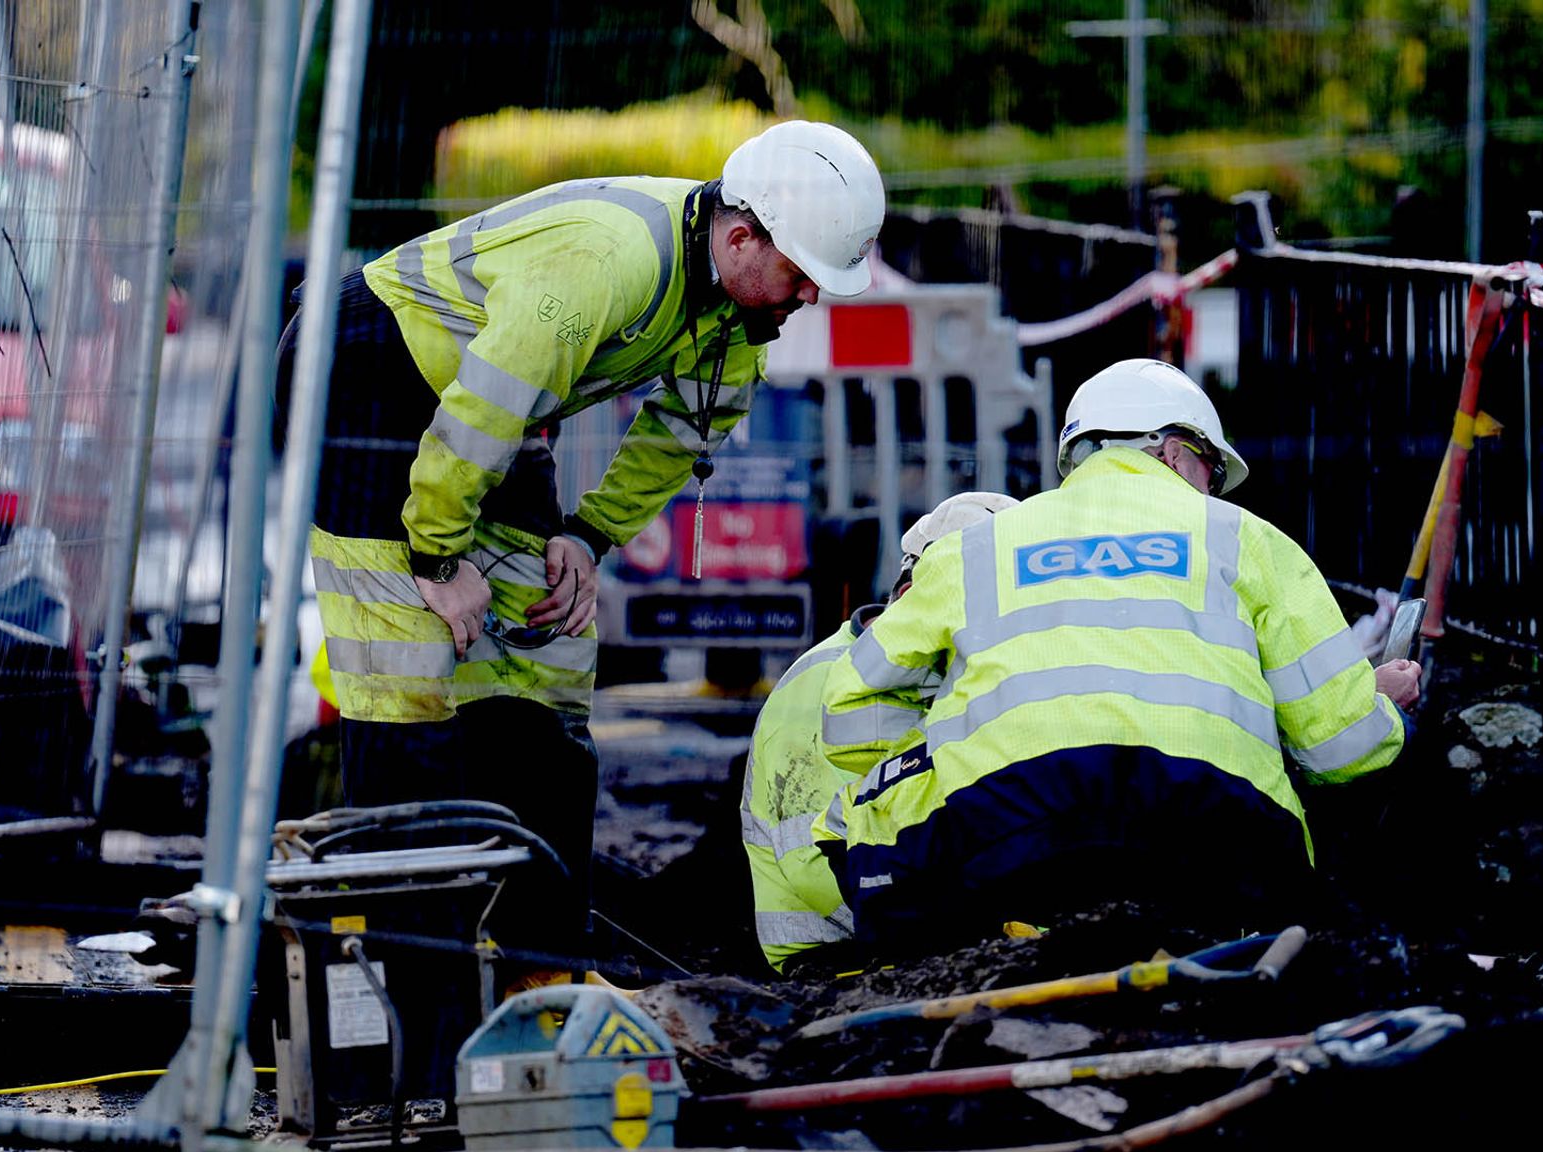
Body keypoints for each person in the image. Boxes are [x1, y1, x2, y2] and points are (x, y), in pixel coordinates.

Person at [283, 121, 887, 969]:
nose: (809, 297)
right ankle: (413, 987)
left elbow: (684, 429)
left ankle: (540, 966)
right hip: (366, 383)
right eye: (801, 275)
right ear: (743, 237)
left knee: (549, 660)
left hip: (487, 415)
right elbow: (482, 411)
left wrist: (586, 535)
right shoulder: (605, 261)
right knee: (406, 682)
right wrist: (436, 561)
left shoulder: (736, 302)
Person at [818, 359, 1422, 950]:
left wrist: (955, 744)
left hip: (1012, 831)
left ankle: (913, 963)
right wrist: (1384, 709)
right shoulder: (1248, 539)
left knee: (858, 818)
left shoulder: (974, 549)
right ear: (1171, 450)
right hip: (1221, 838)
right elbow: (1346, 750)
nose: (1210, 486)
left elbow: (845, 713)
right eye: (1211, 467)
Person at [742, 492, 1018, 976]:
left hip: (915, 945)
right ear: (915, 597)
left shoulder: (949, 678)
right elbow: (816, 865)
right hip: (832, 964)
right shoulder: (823, 683)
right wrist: (978, 925)